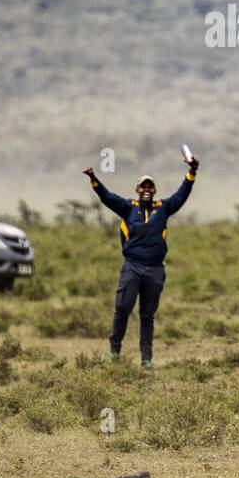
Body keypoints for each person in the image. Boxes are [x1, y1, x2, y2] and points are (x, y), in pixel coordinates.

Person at [83, 156, 199, 367]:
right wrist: (94, 178)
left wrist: (192, 172)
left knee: (147, 316)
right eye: (143, 186)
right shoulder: (128, 208)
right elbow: (107, 197)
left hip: (155, 270)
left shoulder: (163, 208)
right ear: (137, 190)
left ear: (154, 191)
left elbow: (182, 194)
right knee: (122, 309)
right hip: (132, 268)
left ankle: (146, 359)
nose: (147, 189)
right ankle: (114, 353)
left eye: (150, 186)